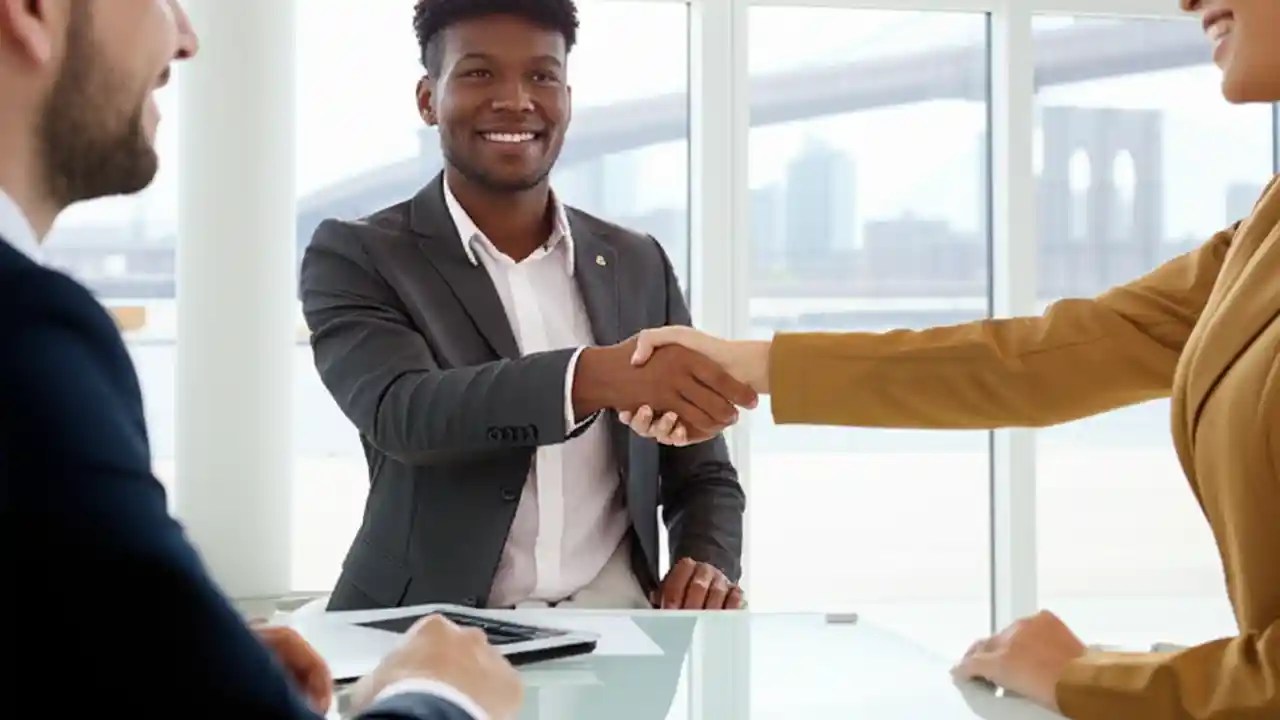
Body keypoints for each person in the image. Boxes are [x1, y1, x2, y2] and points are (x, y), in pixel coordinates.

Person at [625, 0, 1280, 717]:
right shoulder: (1265, 231)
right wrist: (756, 364)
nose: (1185, 2)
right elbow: (1043, 358)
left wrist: (1091, 677)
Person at [0, 1, 520, 717]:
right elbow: (407, 410)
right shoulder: (26, 337)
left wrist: (168, 654)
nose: (186, 37)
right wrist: (440, 694)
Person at [299, 0, 756, 614]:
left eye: (542, 76)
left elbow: (702, 473)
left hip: (622, 629)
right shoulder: (358, 254)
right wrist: (595, 376)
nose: (516, 99)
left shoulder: (637, 261)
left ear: (567, 96)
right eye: (479, 73)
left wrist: (706, 563)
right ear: (428, 99)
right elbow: (404, 413)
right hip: (424, 630)